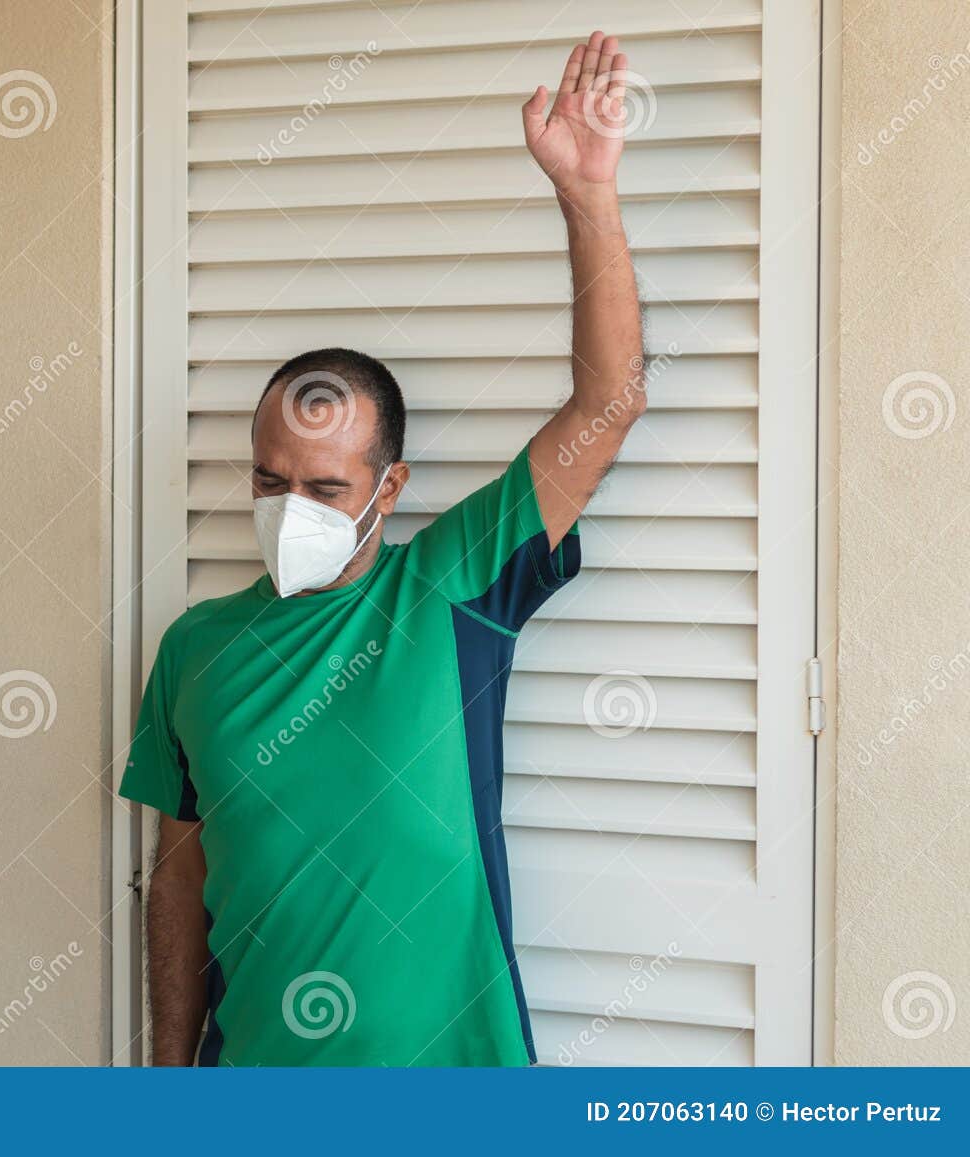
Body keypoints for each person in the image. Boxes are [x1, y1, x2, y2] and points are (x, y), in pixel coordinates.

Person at [120, 33, 645, 1065]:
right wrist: (165, 1072)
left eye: (324, 487)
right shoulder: (193, 646)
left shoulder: (451, 587)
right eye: (269, 481)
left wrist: (586, 195)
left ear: (388, 489)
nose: (288, 508)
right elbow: (178, 877)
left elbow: (609, 404)